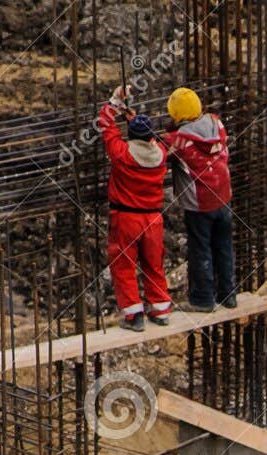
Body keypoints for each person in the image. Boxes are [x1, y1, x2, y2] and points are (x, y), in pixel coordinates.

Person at [98, 92, 171, 331]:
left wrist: (113, 104)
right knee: (154, 264)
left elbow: (106, 126)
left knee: (124, 265)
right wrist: (134, 120)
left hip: (126, 217)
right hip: (153, 218)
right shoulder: (160, 155)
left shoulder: (122, 153)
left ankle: (133, 315)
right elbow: (151, 140)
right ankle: (160, 309)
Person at [165, 87, 235, 312]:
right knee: (224, 246)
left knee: (200, 249)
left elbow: (160, 150)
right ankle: (228, 295)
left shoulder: (180, 139)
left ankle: (203, 299)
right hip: (224, 198)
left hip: (200, 204)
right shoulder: (217, 124)